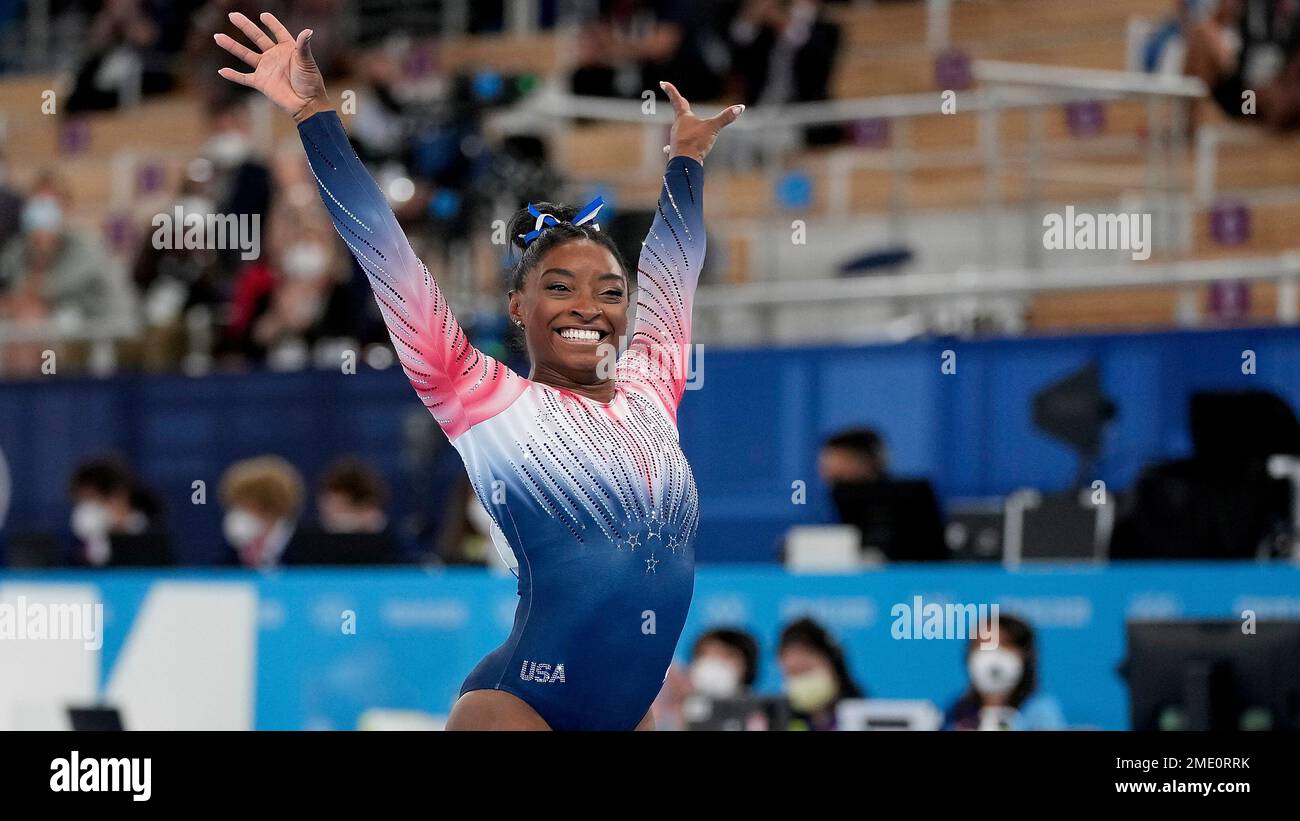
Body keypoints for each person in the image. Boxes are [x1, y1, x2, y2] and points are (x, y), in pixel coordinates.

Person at [213, 10, 742, 730]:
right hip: (516, 706)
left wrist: (686, 161)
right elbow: (383, 248)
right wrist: (313, 113)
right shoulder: (484, 397)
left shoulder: (654, 387)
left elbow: (676, 266)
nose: (588, 305)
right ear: (518, 307)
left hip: (630, 714)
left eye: (609, 290)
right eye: (560, 286)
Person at [943, 613, 1067, 731]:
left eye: (1003, 644)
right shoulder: (956, 710)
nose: (992, 655)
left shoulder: (1041, 711)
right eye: (982, 644)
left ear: (1024, 654)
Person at [68, 457, 171, 567]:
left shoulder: (152, 532)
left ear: (119, 497)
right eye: (82, 502)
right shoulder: (76, 541)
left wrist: (121, 526)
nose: (86, 511)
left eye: (93, 501)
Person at [777, 616, 864, 730]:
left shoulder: (864, 717)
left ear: (833, 664)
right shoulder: (779, 724)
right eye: (793, 674)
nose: (802, 681)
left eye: (806, 670)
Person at [219, 454, 305, 568]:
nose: (238, 512)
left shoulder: (309, 546)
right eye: (236, 505)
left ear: (269, 506)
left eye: (245, 505)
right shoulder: (235, 552)